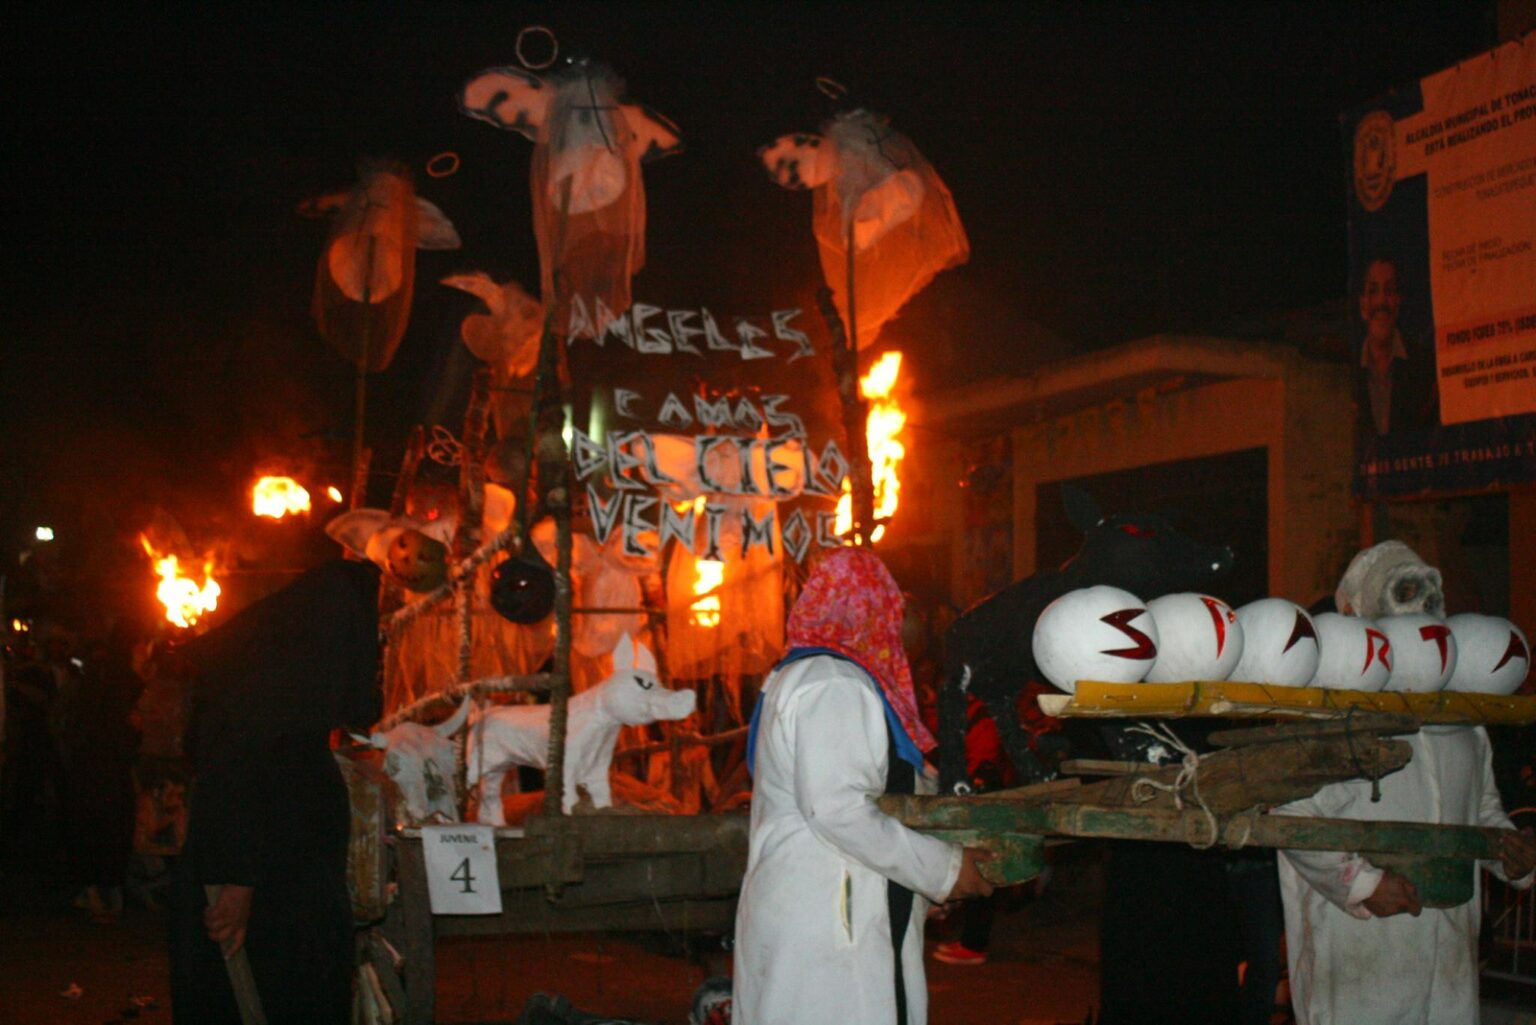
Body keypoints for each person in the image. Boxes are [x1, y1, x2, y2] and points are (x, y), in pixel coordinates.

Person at [734, 548, 994, 1025]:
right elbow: (839, 809)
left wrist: (921, 885)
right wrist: (942, 871)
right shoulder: (835, 682)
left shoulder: (807, 675)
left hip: (821, 902)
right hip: (832, 916)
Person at [169, 559, 382, 1024]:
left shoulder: (287, 687)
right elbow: (237, 775)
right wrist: (239, 882)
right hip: (269, 892)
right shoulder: (267, 691)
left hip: (285, 886)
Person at [1277, 723, 1536, 1024]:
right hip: (1356, 968)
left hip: (1449, 980)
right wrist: (1363, 885)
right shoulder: (1337, 713)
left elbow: (1481, 812)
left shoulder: (1468, 727)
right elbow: (1290, 816)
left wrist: (1511, 854)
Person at [1357, 256, 1436, 436]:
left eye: (1389, 290)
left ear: (1398, 301)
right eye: (1373, 290)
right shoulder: (1349, 373)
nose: (1381, 301)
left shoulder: (1425, 366)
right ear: (1362, 305)